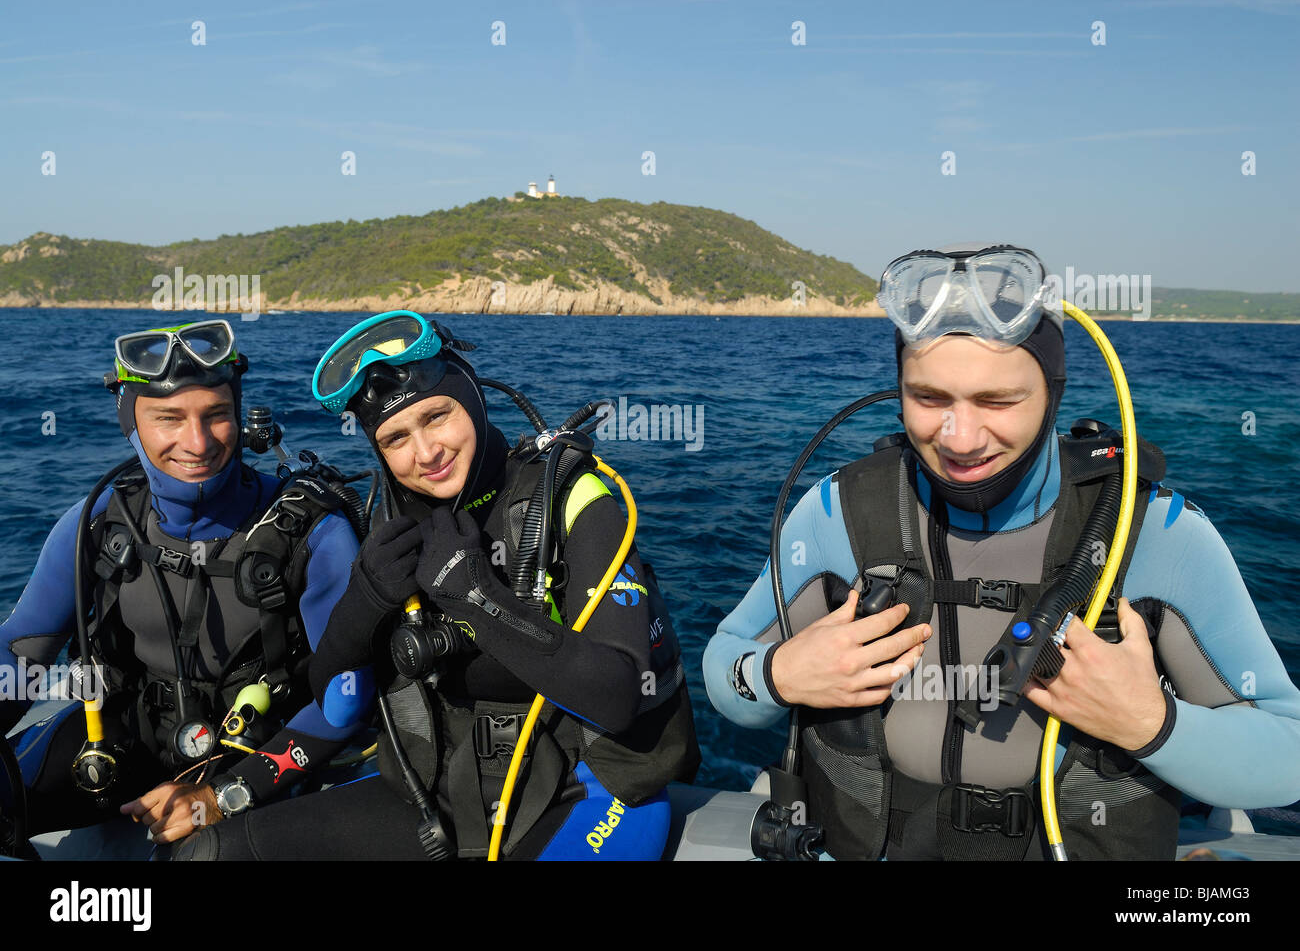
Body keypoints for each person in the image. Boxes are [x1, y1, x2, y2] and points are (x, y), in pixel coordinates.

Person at [704, 244, 1300, 860]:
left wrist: (1152, 725)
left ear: (1052, 393)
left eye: (997, 401)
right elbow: (724, 671)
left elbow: (1290, 753)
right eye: (929, 397)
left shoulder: (1153, 533)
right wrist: (780, 675)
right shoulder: (841, 513)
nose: (959, 438)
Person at [172, 311, 699, 860]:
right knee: (207, 855)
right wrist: (365, 601)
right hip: (440, 789)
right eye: (396, 437)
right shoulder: (391, 529)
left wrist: (474, 596)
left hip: (586, 791)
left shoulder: (572, 500)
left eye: (437, 416)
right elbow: (337, 699)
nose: (426, 453)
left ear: (470, 397)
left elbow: (618, 694)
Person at [0, 321, 368, 851]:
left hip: (255, 757)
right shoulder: (98, 524)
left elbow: (346, 696)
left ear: (239, 416)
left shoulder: (311, 532)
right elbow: (20, 651)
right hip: (119, 743)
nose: (196, 443)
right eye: (168, 418)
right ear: (131, 423)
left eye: (216, 416)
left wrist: (228, 795)